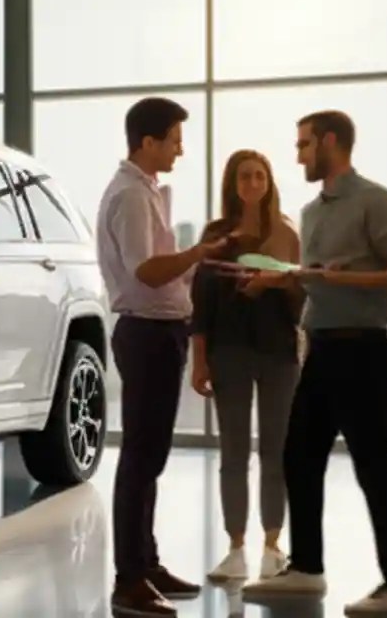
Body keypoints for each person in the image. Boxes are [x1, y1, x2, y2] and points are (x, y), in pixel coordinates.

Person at [240, 111, 387, 615]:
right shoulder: (312, 211)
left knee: (372, 467)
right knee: (298, 457)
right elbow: (316, 277)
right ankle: (307, 569)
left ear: (331, 143)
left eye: (304, 145)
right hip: (319, 350)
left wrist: (340, 279)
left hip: (362, 350)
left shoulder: (376, 201)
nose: (297, 155)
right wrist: (286, 279)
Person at [97, 97, 233, 617]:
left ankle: (145, 565)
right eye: (175, 139)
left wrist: (202, 263)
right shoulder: (131, 196)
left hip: (161, 333)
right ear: (148, 142)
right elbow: (146, 272)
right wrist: (199, 252)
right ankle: (129, 580)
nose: (181, 148)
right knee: (139, 459)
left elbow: (162, 272)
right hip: (147, 335)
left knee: (149, 458)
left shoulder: (146, 191)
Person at [189, 150, 303, 582]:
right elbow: (201, 306)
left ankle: (273, 547)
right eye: (244, 177)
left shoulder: (287, 232)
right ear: (232, 184)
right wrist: (199, 361)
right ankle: (235, 548)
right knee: (233, 453)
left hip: (279, 355)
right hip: (229, 352)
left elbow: (302, 297)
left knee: (276, 452)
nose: (253, 184)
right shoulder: (217, 234)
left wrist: (276, 282)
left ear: (269, 182)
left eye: (260, 176)